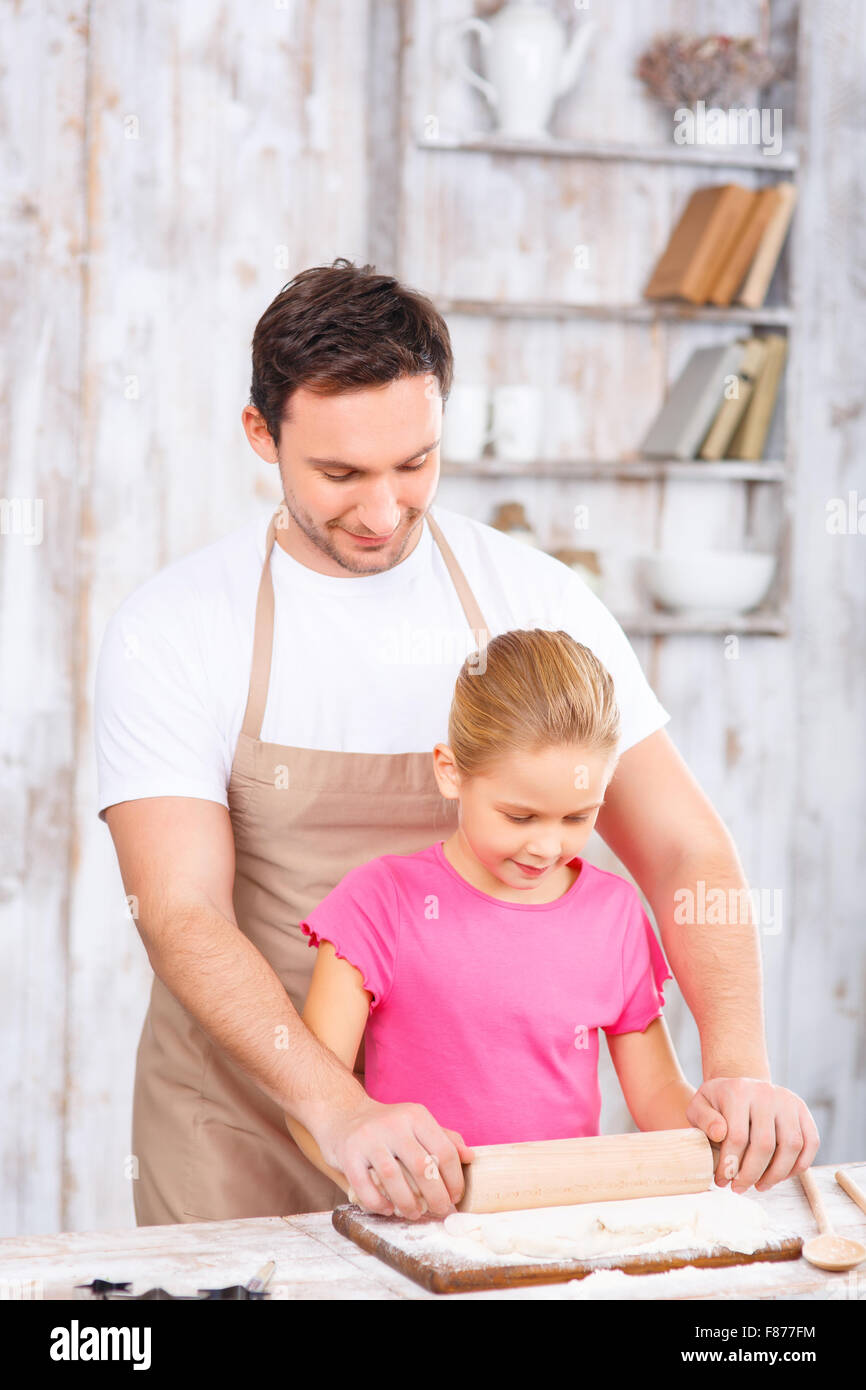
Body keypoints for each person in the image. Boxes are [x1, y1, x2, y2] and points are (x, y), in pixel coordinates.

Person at [96, 258, 818, 1226]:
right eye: (340, 474)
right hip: (247, 1119)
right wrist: (341, 1109)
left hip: (482, 1156)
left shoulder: (534, 596)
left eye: (414, 464)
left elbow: (684, 847)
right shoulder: (177, 626)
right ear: (261, 434)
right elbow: (181, 911)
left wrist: (735, 1069)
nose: (384, 511)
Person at [287, 629, 816, 1213]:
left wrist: (732, 1128)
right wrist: (374, 1157)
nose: (546, 846)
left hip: (567, 1226)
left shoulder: (612, 915)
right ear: (450, 771)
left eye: (576, 817)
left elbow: (659, 1094)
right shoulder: (378, 904)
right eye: (519, 815)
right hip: (418, 1224)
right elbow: (312, 1100)